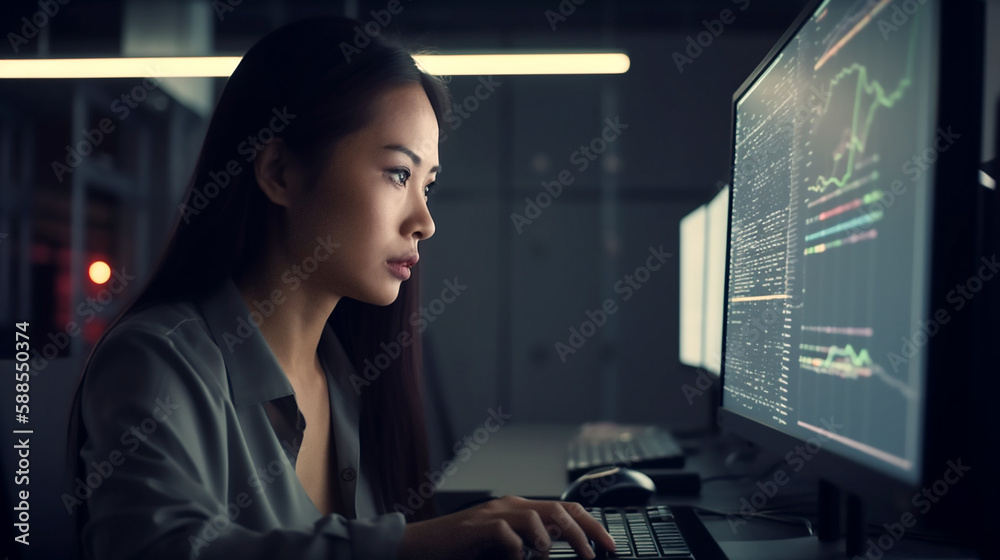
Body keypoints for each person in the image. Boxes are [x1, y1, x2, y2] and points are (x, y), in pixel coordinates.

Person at [64, 15, 615, 560]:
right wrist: (419, 544)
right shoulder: (155, 360)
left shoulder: (350, 374)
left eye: (427, 185)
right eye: (398, 174)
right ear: (280, 172)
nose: (424, 221)